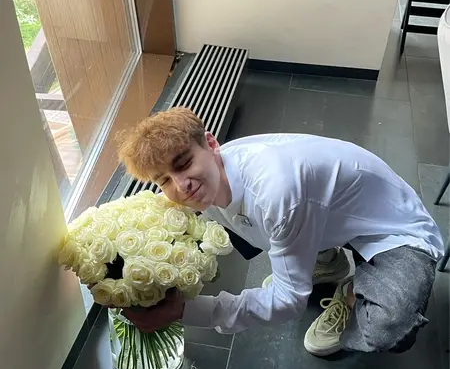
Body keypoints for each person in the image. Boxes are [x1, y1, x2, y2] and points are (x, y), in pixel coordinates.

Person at [117, 107, 443, 356]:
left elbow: (289, 300)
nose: (181, 185)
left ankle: (351, 293)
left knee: (388, 330)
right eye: (163, 180)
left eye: (183, 163)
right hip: (330, 214)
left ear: (212, 144)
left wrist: (187, 311)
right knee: (267, 222)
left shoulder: (275, 191)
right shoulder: (212, 175)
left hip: (392, 230)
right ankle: (326, 261)